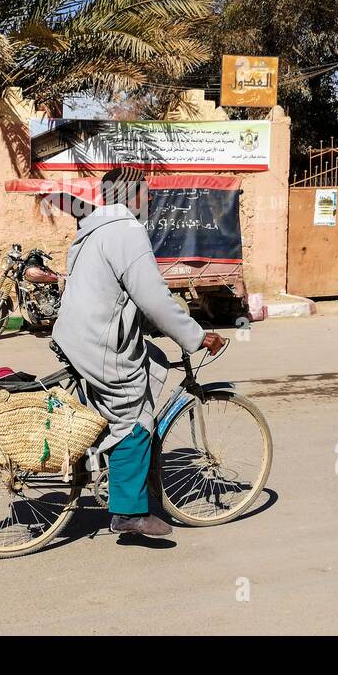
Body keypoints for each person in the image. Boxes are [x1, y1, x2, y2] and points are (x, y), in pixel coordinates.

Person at [52, 167, 225, 539]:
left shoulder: (95, 229)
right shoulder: (127, 232)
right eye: (145, 193)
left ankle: (120, 458)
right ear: (131, 196)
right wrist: (196, 336)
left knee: (154, 360)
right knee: (135, 412)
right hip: (99, 342)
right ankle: (127, 512)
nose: (149, 200)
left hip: (77, 334)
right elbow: (154, 298)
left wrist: (144, 323)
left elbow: (116, 290)